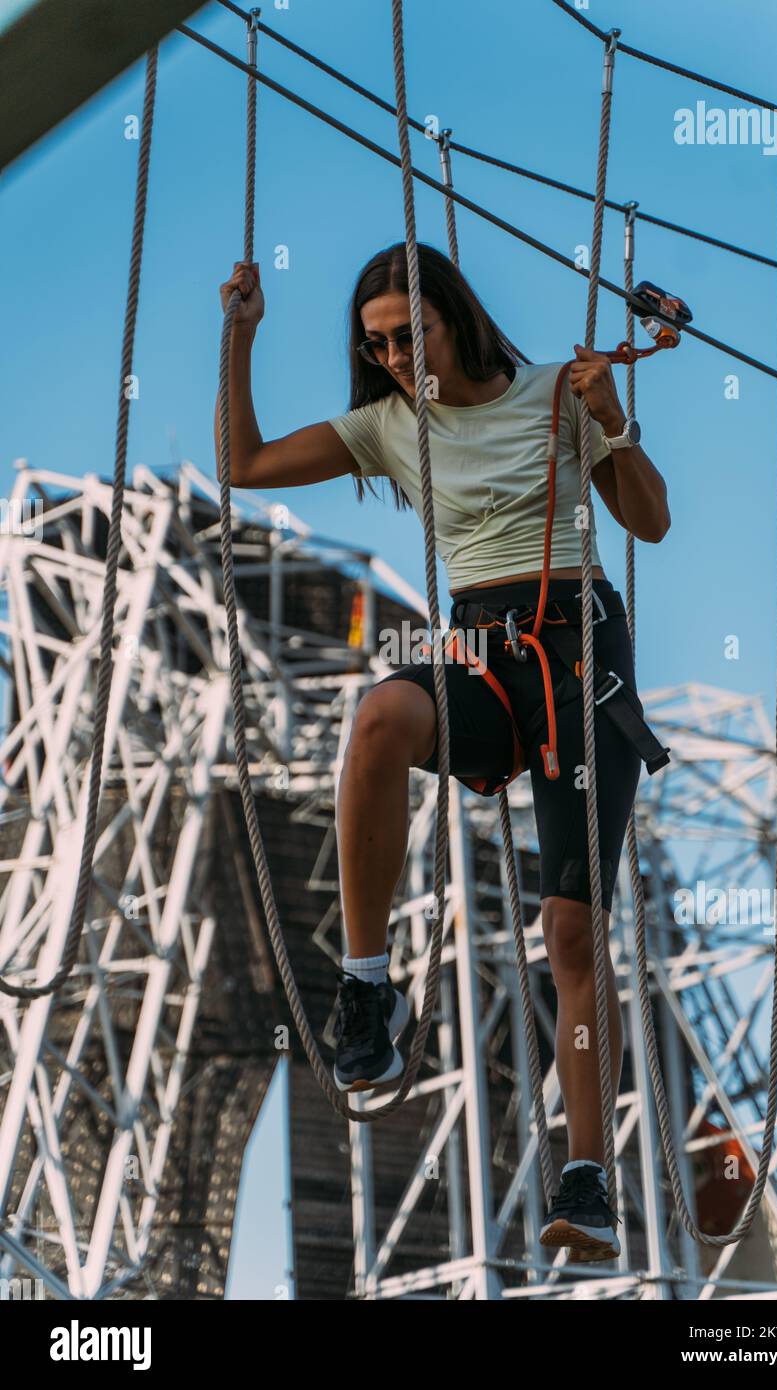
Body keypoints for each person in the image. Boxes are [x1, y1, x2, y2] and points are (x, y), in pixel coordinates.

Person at [216, 242, 671, 1263]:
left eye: (404, 333)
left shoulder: (561, 390)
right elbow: (241, 467)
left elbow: (650, 520)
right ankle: (368, 983)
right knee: (379, 714)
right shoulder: (386, 427)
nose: (388, 356)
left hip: (580, 658)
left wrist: (611, 425)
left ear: (452, 320)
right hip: (477, 651)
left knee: (568, 934)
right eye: (372, 344)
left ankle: (587, 1178)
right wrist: (237, 338)